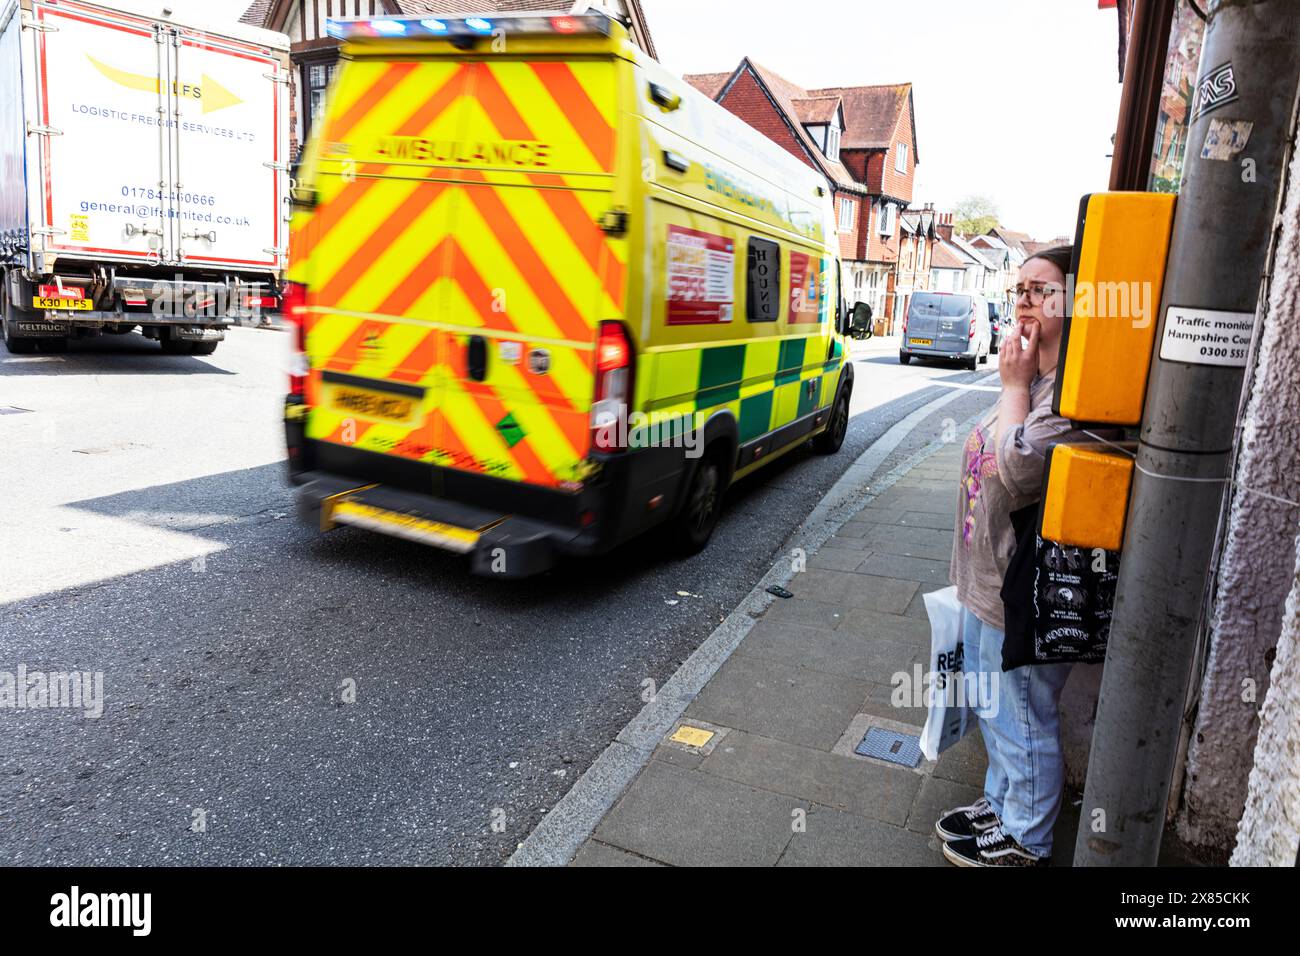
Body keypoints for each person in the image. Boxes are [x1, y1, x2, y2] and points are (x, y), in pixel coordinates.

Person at [934, 245, 1092, 867]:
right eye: (1019, 287)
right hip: (985, 577)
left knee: (1021, 716)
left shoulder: (1072, 395)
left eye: (1040, 289)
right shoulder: (1031, 375)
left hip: (1023, 589)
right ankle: (1001, 804)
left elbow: (1020, 468)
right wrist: (1018, 381)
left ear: (1075, 303)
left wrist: (1014, 386)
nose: (1023, 298)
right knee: (994, 708)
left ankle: (1026, 836)